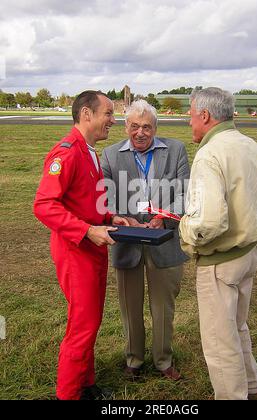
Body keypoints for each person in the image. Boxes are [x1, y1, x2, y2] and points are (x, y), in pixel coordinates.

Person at [179, 87, 257, 400]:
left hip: (221, 263)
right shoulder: (250, 145)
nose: (189, 122)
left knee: (219, 342)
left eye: (191, 116)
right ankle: (252, 387)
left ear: (205, 116)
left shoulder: (209, 155)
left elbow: (208, 223)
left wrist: (185, 232)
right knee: (237, 326)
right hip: (251, 251)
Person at [33, 90, 129, 400]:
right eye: (108, 114)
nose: (113, 120)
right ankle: (69, 394)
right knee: (82, 326)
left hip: (92, 246)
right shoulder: (67, 153)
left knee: (90, 321)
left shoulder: (89, 150)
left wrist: (111, 217)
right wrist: (87, 230)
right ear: (86, 114)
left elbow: (87, 201)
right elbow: (44, 205)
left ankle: (86, 385)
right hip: (76, 251)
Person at [101, 100, 190, 380]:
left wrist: (165, 216)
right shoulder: (110, 154)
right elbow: (104, 196)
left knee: (163, 306)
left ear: (155, 127)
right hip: (127, 242)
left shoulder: (175, 150)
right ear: (126, 126)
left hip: (165, 240)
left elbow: (185, 194)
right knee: (130, 305)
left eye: (147, 127)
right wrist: (118, 216)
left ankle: (163, 360)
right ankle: (134, 359)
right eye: (135, 126)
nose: (140, 132)